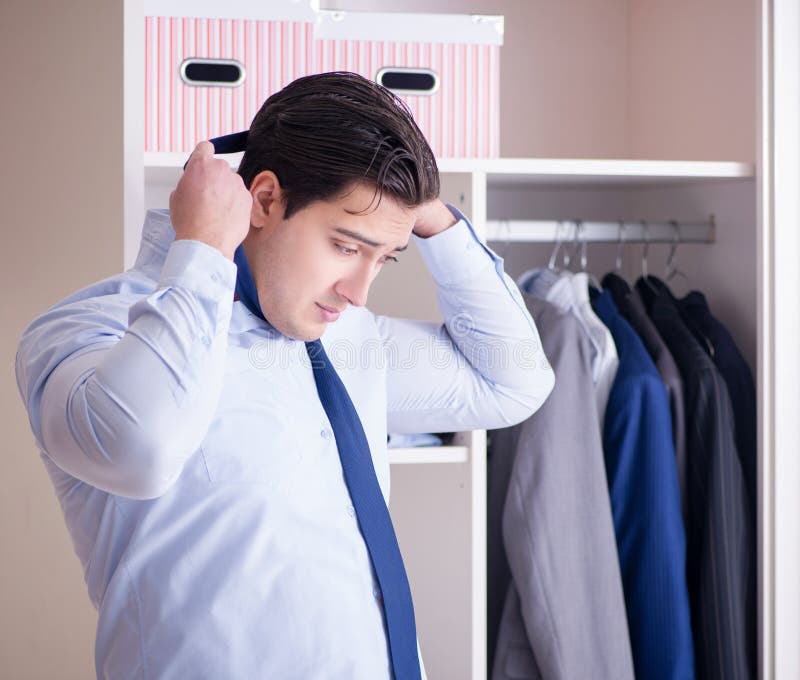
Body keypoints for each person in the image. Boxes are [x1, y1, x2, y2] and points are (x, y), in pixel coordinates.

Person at [15, 71, 554, 679]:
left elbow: (513, 382)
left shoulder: (347, 340)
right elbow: (142, 449)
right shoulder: (85, 334)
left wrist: (423, 210)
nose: (358, 292)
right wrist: (203, 248)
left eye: (384, 258)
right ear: (265, 200)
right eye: (346, 246)